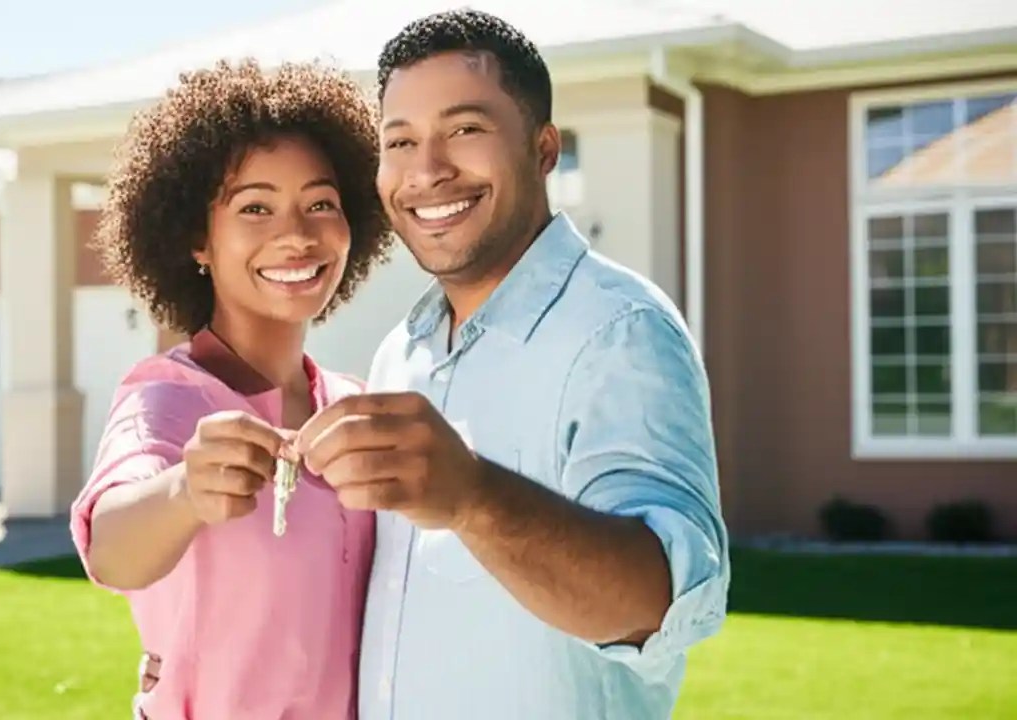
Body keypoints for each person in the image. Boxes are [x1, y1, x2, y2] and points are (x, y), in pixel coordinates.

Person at [295, 9, 731, 719]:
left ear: (544, 148)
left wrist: (473, 496)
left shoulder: (619, 330)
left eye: (465, 130)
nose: (427, 170)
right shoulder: (400, 353)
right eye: (400, 141)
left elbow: (661, 604)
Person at [69, 58, 392, 719]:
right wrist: (184, 491)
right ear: (198, 240)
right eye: (254, 207)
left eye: (321, 202)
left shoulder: (353, 401)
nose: (296, 234)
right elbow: (111, 547)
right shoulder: (166, 397)